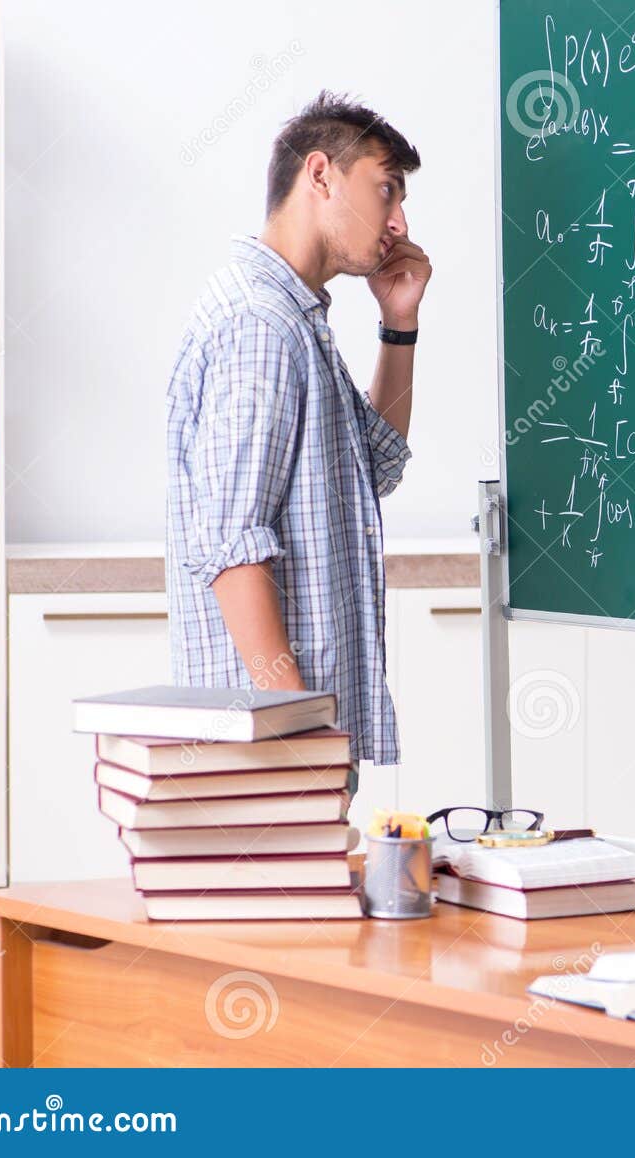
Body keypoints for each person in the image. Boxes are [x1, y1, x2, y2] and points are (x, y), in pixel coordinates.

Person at [165, 92, 432, 764]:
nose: (399, 221)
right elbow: (232, 545)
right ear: (320, 175)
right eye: (386, 190)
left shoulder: (295, 318)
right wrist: (294, 733)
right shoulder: (263, 324)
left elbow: (378, 468)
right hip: (270, 748)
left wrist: (399, 326)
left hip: (291, 736)